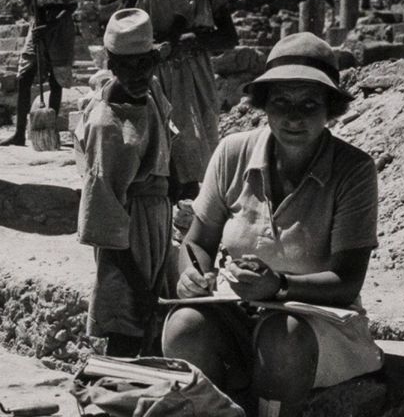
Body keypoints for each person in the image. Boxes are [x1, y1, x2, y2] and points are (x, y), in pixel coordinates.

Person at [162, 33, 384, 417]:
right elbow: (196, 242)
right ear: (264, 105)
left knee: (285, 338)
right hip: (236, 314)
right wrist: (192, 275)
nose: (294, 116)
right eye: (281, 102)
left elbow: (347, 280)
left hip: (314, 325)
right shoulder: (234, 152)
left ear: (331, 108)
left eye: (309, 104)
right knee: (184, 326)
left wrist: (278, 286)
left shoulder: (353, 170)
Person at [122, 0, 238, 201]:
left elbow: (229, 36)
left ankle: (186, 230)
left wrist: (195, 40)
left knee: (190, 159)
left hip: (192, 79)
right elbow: (120, 26)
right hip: (148, 74)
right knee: (147, 158)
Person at [74, 8, 174, 357]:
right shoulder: (107, 124)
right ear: (110, 64)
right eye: (125, 67)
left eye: (143, 65)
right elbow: (104, 212)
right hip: (127, 240)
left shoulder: (152, 92)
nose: (136, 75)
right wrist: (137, 285)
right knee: (127, 325)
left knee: (152, 332)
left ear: (154, 62)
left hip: (156, 221)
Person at [0, 0, 85, 147]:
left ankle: (49, 132)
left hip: (59, 25)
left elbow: (71, 5)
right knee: (25, 76)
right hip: (37, 23)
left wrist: (50, 26)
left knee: (56, 80)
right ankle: (19, 134)